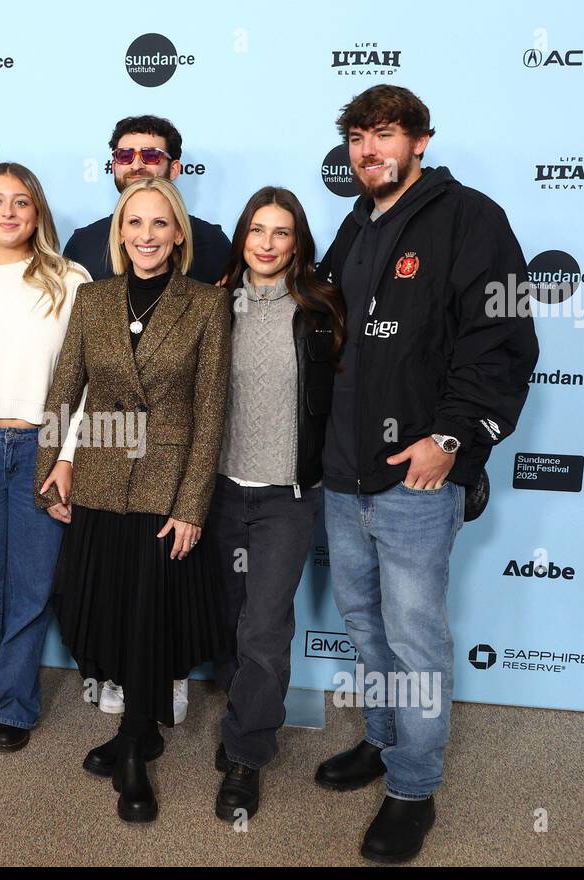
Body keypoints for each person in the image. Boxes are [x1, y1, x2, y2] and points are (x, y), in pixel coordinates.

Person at [314, 85, 538, 862]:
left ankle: (413, 787)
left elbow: (501, 340)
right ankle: (383, 740)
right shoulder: (354, 227)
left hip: (415, 479)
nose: (368, 150)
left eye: (383, 135)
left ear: (420, 141)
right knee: (367, 627)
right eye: (356, 138)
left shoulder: (471, 218)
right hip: (343, 475)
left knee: (413, 639)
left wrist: (451, 438)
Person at [36, 177, 231, 823]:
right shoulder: (93, 300)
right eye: (134, 223)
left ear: (178, 234)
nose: (146, 235)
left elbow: (211, 416)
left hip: (165, 487)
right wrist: (51, 470)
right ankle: (140, 730)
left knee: (151, 619)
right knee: (107, 612)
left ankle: (132, 752)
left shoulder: (205, 305)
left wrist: (192, 506)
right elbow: (63, 391)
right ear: (120, 232)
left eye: (159, 223)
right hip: (96, 481)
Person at [0, 163, 90, 754]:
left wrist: (69, 454)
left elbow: (84, 380)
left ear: (38, 214)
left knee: (30, 587)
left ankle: (16, 707)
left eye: (21, 202)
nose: (8, 212)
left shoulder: (69, 280)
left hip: (40, 446)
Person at [208, 187, 346, 821]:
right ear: (243, 237)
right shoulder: (216, 306)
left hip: (287, 497)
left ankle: (247, 753)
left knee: (265, 625)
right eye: (256, 230)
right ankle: (243, 716)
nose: (266, 243)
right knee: (232, 617)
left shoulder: (322, 309)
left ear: (298, 243)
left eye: (280, 232)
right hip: (219, 491)